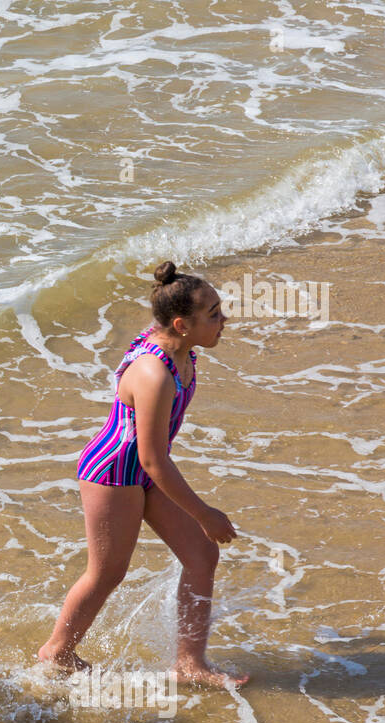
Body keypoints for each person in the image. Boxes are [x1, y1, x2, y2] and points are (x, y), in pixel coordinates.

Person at [38, 261, 250, 688]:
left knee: (202, 556)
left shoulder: (179, 347)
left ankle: (189, 665)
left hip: (144, 469)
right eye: (213, 314)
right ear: (180, 324)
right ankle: (56, 653)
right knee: (107, 572)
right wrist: (205, 512)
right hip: (115, 472)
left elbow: (153, 459)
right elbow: (153, 459)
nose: (223, 320)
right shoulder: (155, 374)